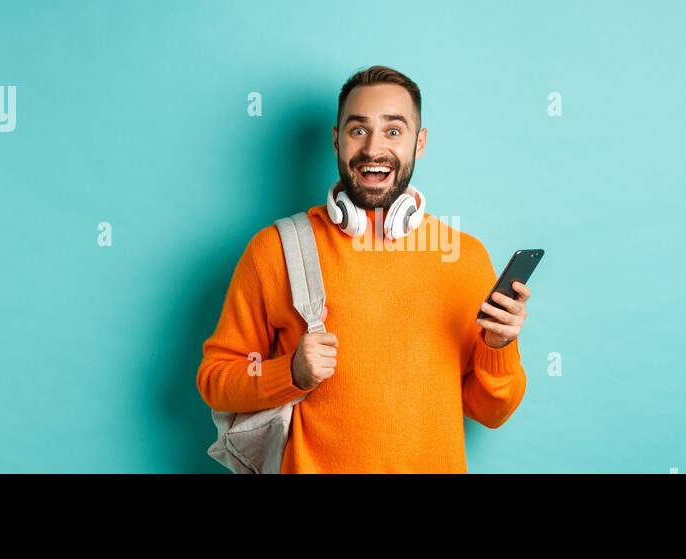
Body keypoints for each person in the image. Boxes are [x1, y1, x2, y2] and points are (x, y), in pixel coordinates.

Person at [196, 65, 532, 473]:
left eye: (394, 131)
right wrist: (292, 372)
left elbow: (491, 413)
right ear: (337, 140)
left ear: (418, 143)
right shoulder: (277, 248)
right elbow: (215, 380)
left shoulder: (464, 256)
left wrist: (498, 347)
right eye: (358, 130)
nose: (374, 148)